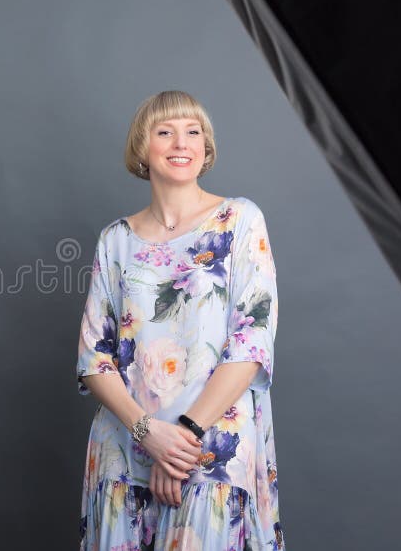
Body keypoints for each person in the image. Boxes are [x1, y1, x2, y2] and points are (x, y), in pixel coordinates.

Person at [76, 90, 284, 550]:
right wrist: (150, 435)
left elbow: (251, 343)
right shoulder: (116, 241)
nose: (180, 143)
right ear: (141, 148)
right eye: (165, 131)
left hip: (211, 449)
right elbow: (95, 358)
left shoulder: (240, 222)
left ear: (206, 148)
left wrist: (183, 440)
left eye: (193, 132)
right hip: (125, 452)